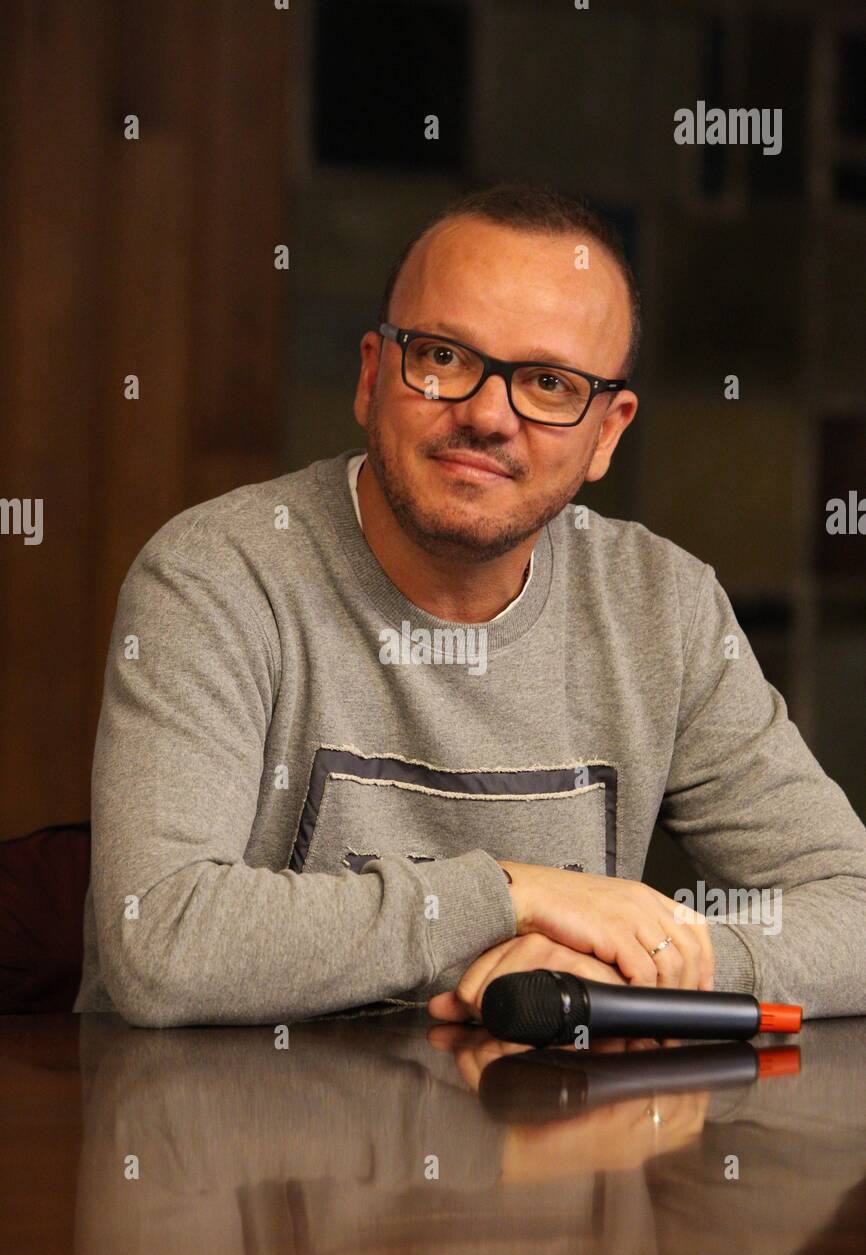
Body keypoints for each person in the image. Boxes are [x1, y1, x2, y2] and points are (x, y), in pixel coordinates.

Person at [75, 181, 866, 1027]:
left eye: (550, 383)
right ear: (373, 374)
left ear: (606, 432)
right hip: (235, 1150)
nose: (489, 415)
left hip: (552, 1142)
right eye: (444, 358)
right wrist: (512, 896)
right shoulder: (219, 576)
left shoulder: (661, 607)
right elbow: (159, 941)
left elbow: (851, 907)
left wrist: (651, 963)